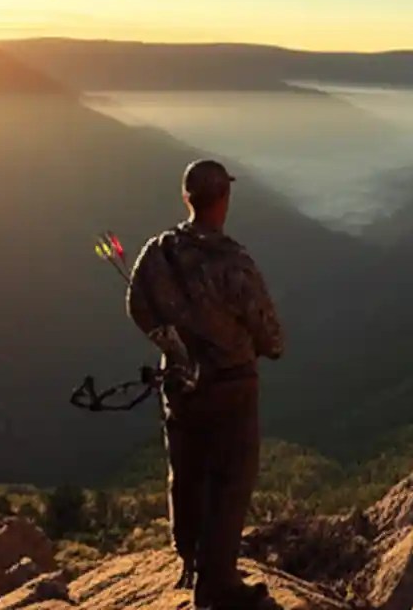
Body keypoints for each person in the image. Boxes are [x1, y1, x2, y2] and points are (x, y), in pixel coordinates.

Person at [126, 159, 284, 609]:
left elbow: (137, 304)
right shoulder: (233, 261)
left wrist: (172, 344)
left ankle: (190, 558)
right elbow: (267, 328)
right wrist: (266, 347)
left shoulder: (158, 252)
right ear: (224, 200)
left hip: (180, 383)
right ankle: (216, 584)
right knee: (231, 479)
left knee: (187, 471)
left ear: (187, 198)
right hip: (233, 384)